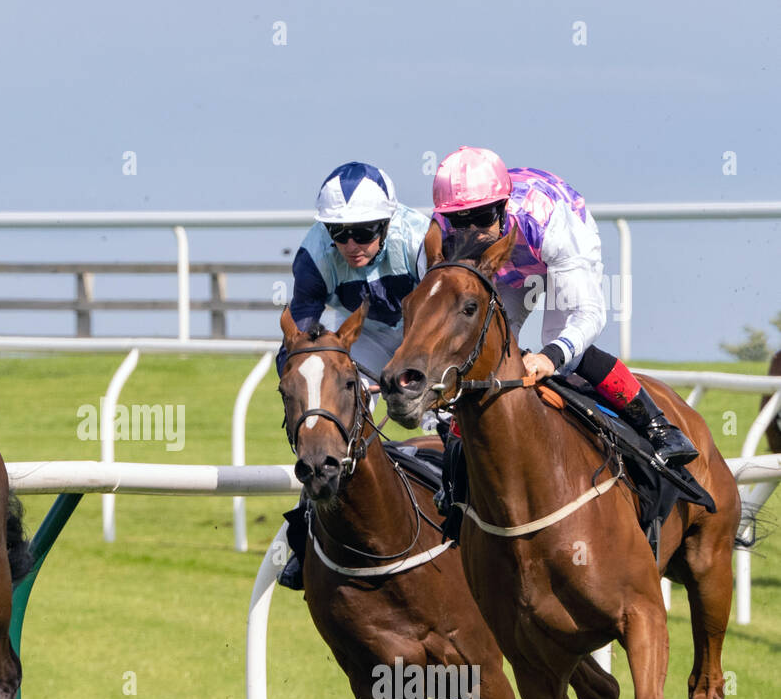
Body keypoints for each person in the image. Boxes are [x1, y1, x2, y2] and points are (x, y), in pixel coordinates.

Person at [428, 147, 697, 467]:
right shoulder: (439, 232)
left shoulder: (547, 222)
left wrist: (549, 356)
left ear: (501, 207)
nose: (473, 233)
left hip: (555, 241)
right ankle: (460, 447)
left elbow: (589, 314)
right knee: (489, 343)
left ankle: (660, 428)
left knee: (561, 343)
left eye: (483, 217)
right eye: (461, 221)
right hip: (505, 267)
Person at [277, 162, 432, 588]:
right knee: (328, 410)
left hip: (428, 341)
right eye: (338, 233)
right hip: (366, 338)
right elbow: (301, 339)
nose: (350, 244)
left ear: (387, 222)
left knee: (453, 425)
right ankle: (304, 535)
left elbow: (447, 313)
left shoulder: (419, 240)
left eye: (363, 232)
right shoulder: (314, 253)